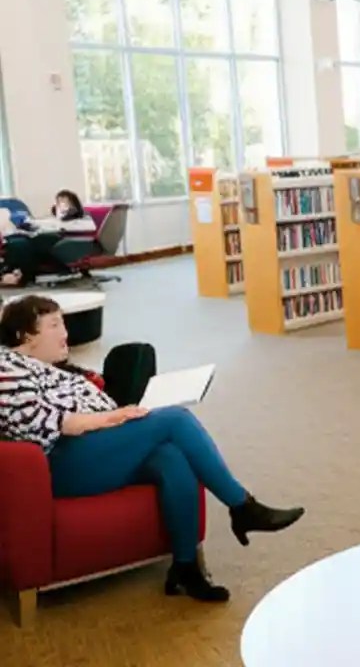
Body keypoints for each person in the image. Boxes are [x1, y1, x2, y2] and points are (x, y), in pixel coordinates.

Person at [0, 295, 305, 602]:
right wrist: (114, 416)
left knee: (170, 457)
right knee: (175, 419)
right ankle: (243, 507)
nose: (65, 332)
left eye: (63, 323)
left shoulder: (54, 369)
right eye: (54, 325)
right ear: (25, 336)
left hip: (96, 448)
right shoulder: (7, 367)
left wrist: (121, 414)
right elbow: (43, 422)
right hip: (61, 461)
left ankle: (186, 567)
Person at [1, 190, 98, 286]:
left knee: (27, 244)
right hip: (46, 237)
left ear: (74, 205)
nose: (60, 207)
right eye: (58, 204)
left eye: (64, 204)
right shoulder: (55, 220)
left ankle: (28, 274)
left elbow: (85, 228)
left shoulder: (83, 219)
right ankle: (28, 274)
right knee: (24, 243)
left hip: (73, 242)